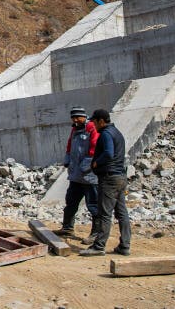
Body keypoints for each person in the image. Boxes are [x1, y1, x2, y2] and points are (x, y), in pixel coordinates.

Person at [79, 109, 131, 257]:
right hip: (120, 177)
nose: (93, 125)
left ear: (101, 121)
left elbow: (108, 153)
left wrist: (96, 164)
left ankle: (99, 246)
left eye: (95, 122)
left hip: (109, 178)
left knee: (104, 214)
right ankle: (125, 246)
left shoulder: (106, 134)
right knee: (122, 213)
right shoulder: (116, 132)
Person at [53, 106, 100, 244]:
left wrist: (85, 167)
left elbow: (94, 150)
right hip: (76, 176)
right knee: (71, 202)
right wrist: (68, 160)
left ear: (84, 116)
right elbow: (69, 146)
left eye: (77, 117)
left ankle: (96, 233)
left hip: (89, 176)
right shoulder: (75, 129)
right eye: (73, 117)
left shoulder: (92, 128)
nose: (75, 120)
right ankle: (67, 227)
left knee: (93, 205)